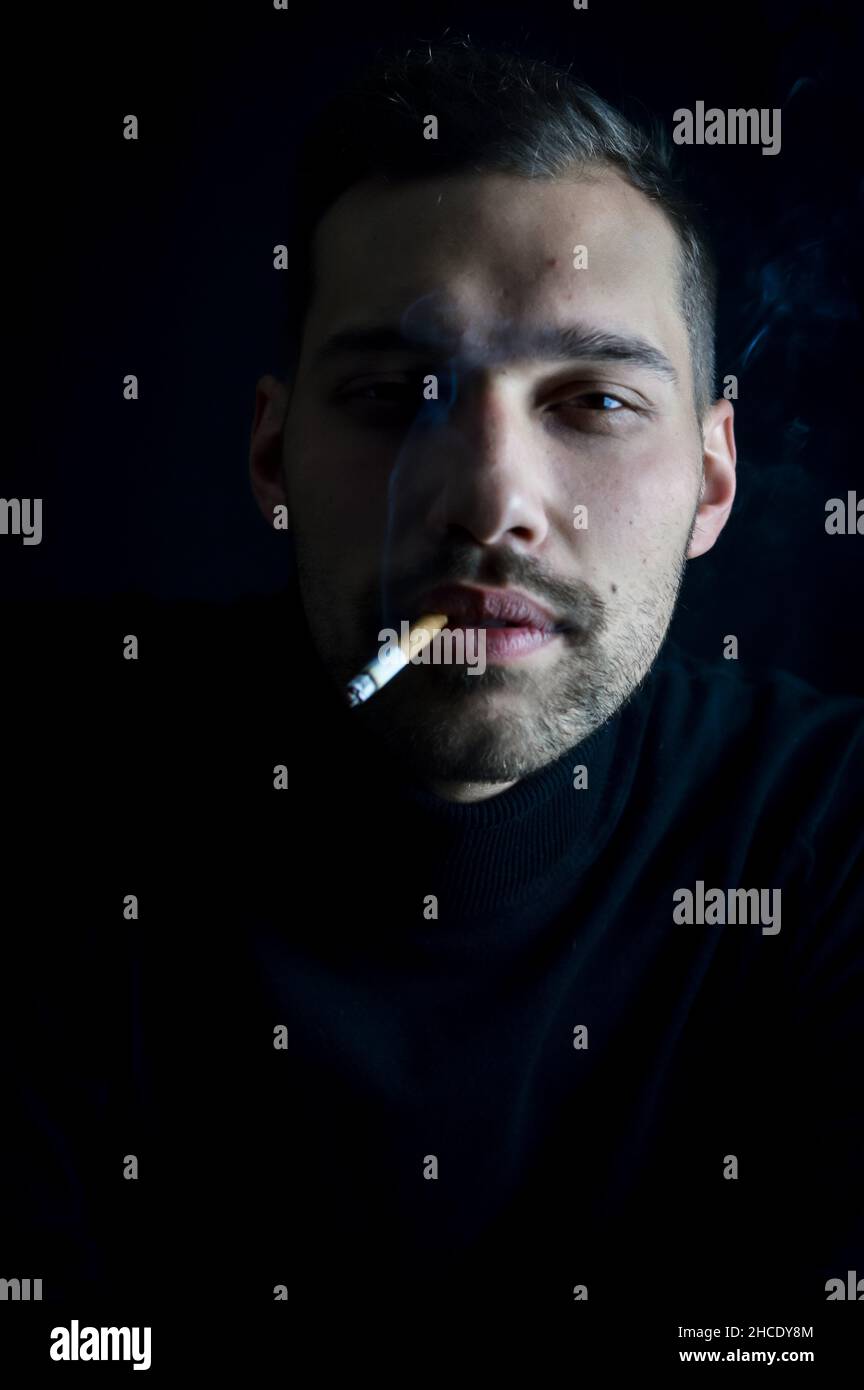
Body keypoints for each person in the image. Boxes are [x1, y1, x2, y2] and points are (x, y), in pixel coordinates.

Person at [3, 40, 861, 1356]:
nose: (490, 503)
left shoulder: (834, 834)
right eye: (400, 395)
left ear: (712, 481)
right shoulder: (40, 770)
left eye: (594, 399)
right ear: (272, 450)